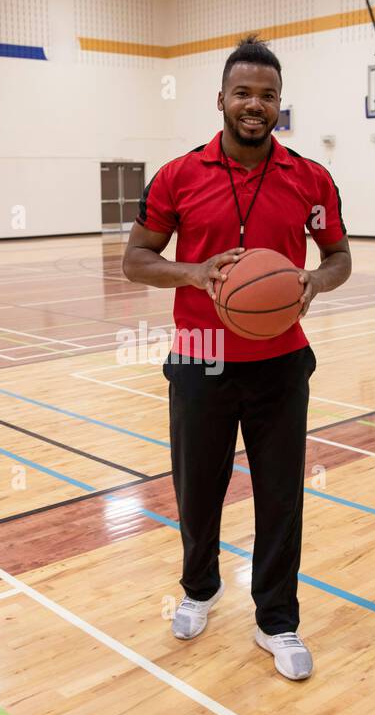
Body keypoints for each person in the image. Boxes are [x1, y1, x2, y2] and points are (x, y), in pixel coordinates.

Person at [121, 35, 351, 680]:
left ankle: (276, 619)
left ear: (280, 104)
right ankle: (200, 588)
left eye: (267, 95)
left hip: (281, 358)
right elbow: (135, 260)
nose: (255, 104)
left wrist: (315, 282)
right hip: (201, 355)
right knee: (198, 489)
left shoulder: (310, 178)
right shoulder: (177, 175)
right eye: (243, 93)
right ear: (220, 99)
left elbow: (338, 257)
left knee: (280, 495)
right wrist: (193, 273)